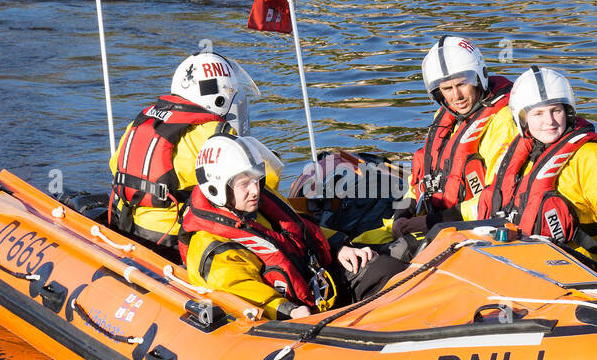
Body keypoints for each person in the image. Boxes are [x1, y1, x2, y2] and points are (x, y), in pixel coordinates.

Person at [181, 135, 407, 320]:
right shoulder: (212, 247)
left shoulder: (256, 206)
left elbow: (300, 228)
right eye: (244, 184)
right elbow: (241, 289)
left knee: (385, 269)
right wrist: (289, 311)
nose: (256, 190)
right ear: (217, 189)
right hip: (294, 312)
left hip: (316, 285)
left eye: (257, 180)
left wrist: (339, 248)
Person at [466, 66, 597, 279]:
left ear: (568, 111)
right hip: (513, 263)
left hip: (571, 271)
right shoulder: (514, 153)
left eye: (556, 111)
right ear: (523, 119)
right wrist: (441, 219)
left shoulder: (592, 157)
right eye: (538, 113)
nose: (549, 122)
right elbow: (489, 200)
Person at [108, 51, 258, 247]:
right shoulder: (215, 133)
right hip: (168, 237)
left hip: (124, 223)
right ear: (219, 97)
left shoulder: (142, 120)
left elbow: (115, 165)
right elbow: (260, 181)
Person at [391, 35, 516, 239]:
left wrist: (432, 222)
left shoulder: (503, 122)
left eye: (461, 85)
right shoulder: (447, 117)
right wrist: (402, 214)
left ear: (478, 79)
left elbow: (498, 196)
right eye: (447, 89)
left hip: (476, 230)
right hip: (437, 221)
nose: (456, 96)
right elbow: (423, 178)